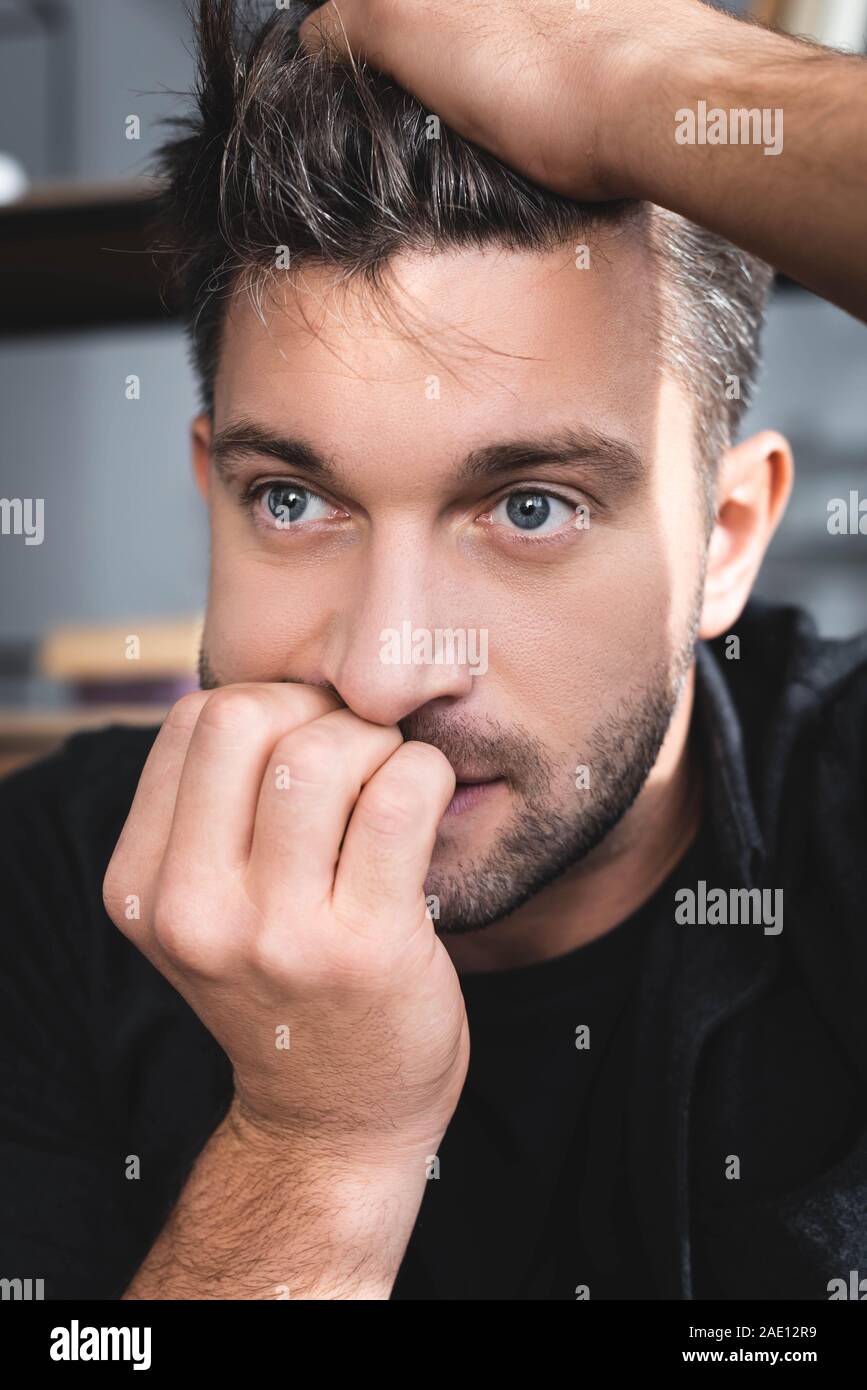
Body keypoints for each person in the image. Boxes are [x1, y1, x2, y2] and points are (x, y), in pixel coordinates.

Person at [1, 0, 866, 1301]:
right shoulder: (50, 890)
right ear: (212, 495)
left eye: (530, 506)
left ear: (728, 538)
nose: (390, 668)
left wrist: (646, 83)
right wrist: (315, 1147)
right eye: (293, 500)